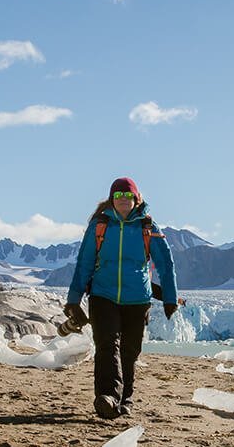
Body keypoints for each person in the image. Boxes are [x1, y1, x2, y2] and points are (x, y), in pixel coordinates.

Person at [65, 177, 178, 419]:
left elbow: (165, 265)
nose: (123, 199)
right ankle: (107, 397)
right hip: (103, 295)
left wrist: (170, 297)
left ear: (136, 198)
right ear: (112, 199)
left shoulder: (148, 227)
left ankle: (125, 399)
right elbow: (84, 263)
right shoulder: (100, 225)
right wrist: (73, 299)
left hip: (138, 299)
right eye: (118, 195)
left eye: (128, 195)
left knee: (129, 351)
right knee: (107, 346)